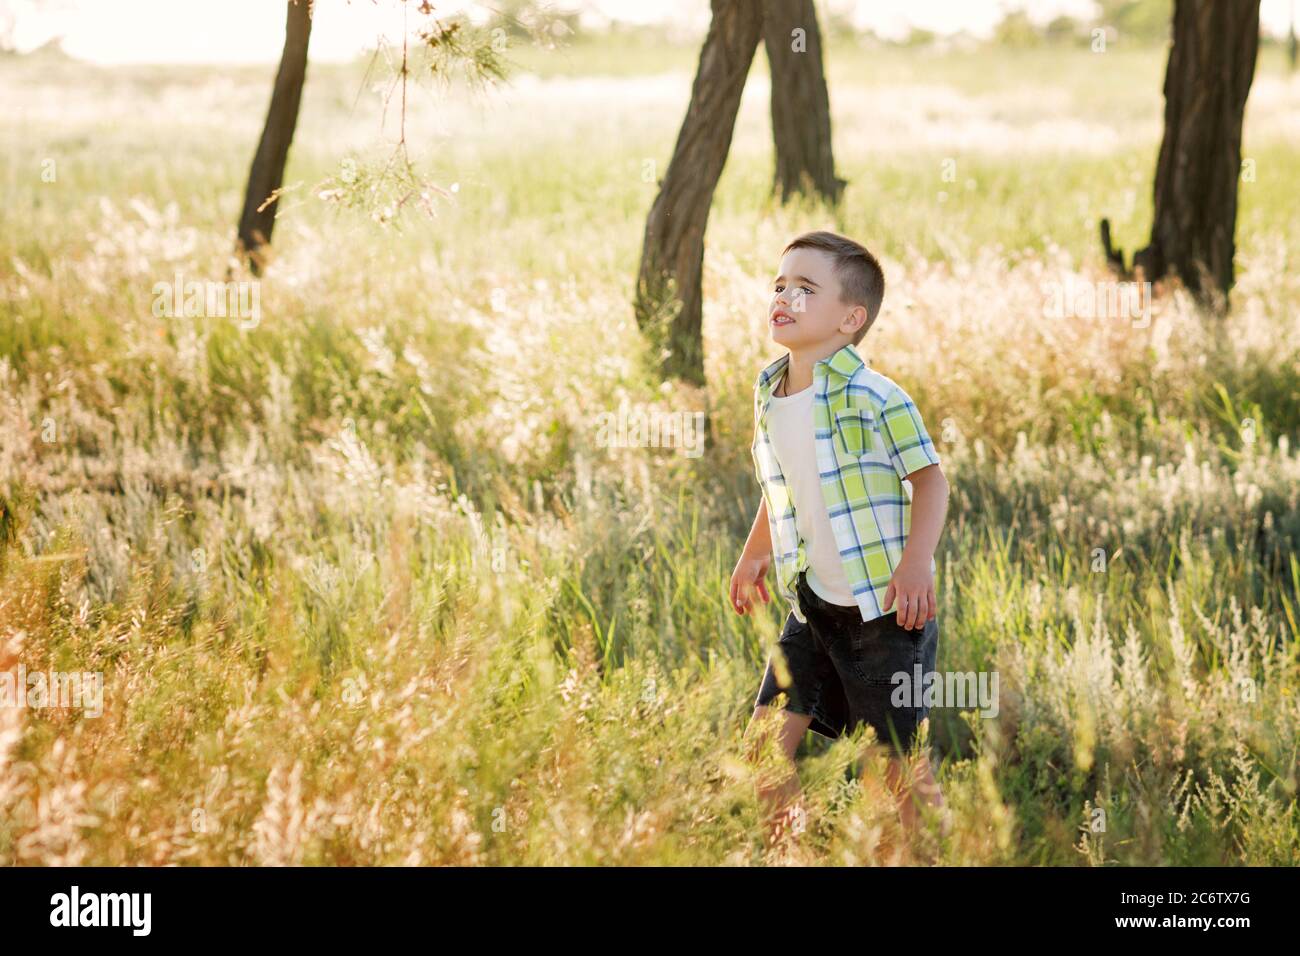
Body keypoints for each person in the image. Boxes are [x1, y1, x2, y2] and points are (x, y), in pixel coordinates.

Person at [730, 230, 952, 858]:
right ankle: (792, 852)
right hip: (816, 607)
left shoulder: (877, 397)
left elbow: (931, 483)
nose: (785, 298)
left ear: (849, 320)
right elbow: (785, 489)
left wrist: (916, 566)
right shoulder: (771, 395)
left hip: (884, 614)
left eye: (806, 289)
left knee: (898, 769)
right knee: (762, 748)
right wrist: (756, 552)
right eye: (779, 286)